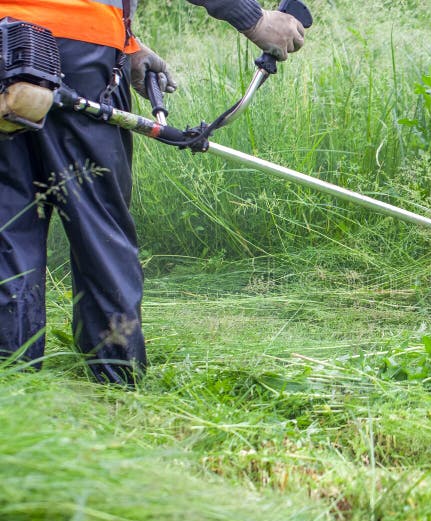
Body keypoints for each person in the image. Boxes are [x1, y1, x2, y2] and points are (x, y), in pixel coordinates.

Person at [0, 0, 305, 386]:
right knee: (99, 231)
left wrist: (128, 44)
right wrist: (256, 19)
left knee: (7, 226)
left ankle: (11, 391)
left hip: (8, 45)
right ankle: (115, 386)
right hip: (79, 45)